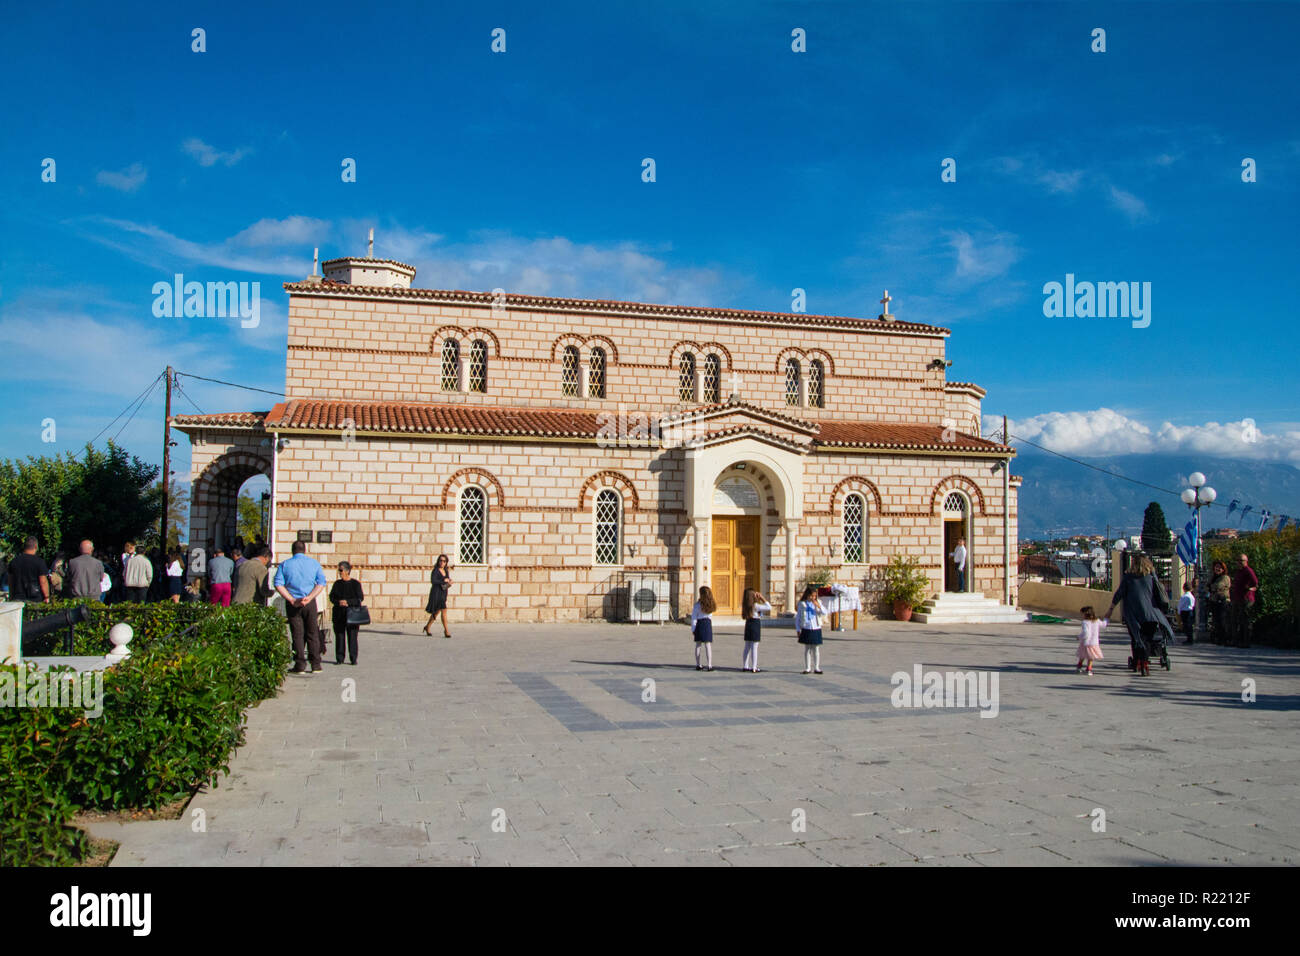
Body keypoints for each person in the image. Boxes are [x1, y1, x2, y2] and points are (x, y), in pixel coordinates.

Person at [1106, 554, 1174, 677]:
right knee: (1147, 639)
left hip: (1133, 615)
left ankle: (1138, 661)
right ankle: (1145, 663)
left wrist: (1111, 609)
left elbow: (1119, 594)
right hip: (1151, 614)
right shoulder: (1151, 578)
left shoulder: (1128, 578)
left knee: (1136, 639)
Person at [275, 540, 328, 675]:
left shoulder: (285, 564)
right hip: (309, 602)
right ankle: (316, 664)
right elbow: (321, 583)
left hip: (294, 603)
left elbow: (278, 584)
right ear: (305, 550)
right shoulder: (314, 564)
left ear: (292, 550)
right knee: (312, 633)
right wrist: (310, 597)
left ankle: (300, 664)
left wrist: (291, 599)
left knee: (297, 635)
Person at [329, 561, 365, 665]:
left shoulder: (355, 584)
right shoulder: (337, 584)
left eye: (341, 570)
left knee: (352, 636)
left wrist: (348, 602)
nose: (340, 572)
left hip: (352, 614)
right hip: (339, 614)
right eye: (339, 570)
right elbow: (332, 597)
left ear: (347, 571)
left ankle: (353, 658)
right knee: (340, 636)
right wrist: (338, 602)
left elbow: (360, 598)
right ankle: (340, 658)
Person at [8, 537, 51, 604]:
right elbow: (43, 581)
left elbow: (11, 581)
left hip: (18, 598)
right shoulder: (39, 562)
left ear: (24, 546)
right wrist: (46, 596)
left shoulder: (14, 561)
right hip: (35, 598)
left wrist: (11, 596)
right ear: (36, 547)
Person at [1229, 553, 1259, 648]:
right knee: (1234, 620)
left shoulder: (1248, 571)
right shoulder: (1239, 571)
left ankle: (1246, 642)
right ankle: (1236, 640)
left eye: (1241, 561)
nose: (1239, 562)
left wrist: (1249, 588)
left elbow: (1255, 583)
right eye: (1238, 561)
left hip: (1246, 599)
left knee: (1245, 621)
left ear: (1246, 561)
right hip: (1237, 598)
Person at [796, 585, 825, 674]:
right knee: (807, 648)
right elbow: (798, 617)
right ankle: (807, 667)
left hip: (816, 627)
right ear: (807, 595)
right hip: (807, 627)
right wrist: (798, 629)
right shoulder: (802, 604)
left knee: (816, 648)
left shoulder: (818, 602)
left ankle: (817, 667)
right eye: (811, 596)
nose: (813, 598)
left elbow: (824, 612)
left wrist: (818, 606)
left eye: (814, 596)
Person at [741, 588, 771, 673]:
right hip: (755, 623)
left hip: (748, 623)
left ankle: (745, 666)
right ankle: (754, 667)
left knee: (747, 646)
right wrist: (762, 598)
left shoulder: (746, 605)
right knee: (754, 646)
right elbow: (769, 607)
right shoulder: (755, 606)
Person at [424, 554, 452, 638]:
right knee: (444, 610)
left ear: (446, 562)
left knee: (436, 612)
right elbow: (433, 581)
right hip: (436, 593)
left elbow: (445, 583)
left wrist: (449, 583)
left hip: (443, 593)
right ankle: (446, 631)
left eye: (444, 561)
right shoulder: (435, 570)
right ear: (438, 561)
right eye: (441, 560)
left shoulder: (446, 571)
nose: (442, 562)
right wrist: (443, 580)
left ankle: (427, 627)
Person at [689, 585, 716, 671]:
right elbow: (710, 615)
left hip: (699, 624)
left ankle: (698, 664)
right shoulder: (711, 604)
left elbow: (694, 617)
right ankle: (709, 665)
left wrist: (693, 628)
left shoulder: (697, 605)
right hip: (707, 623)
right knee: (708, 645)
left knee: (698, 645)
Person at [1076, 605, 1106, 675]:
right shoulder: (1097, 621)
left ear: (1086, 614)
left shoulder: (1085, 622)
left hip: (1086, 643)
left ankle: (1079, 666)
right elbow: (1104, 625)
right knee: (1091, 657)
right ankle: (1088, 669)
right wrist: (1106, 619)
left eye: (1082, 614)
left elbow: (1086, 633)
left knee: (1082, 655)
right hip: (1094, 643)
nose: (1082, 616)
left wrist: (1079, 637)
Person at [1208, 560, 1232, 644]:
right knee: (1216, 621)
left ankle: (1226, 638)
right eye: (1216, 567)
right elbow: (1207, 587)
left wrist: (1211, 587)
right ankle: (1218, 637)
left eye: (1219, 567)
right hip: (1215, 601)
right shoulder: (1213, 578)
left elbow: (1218, 586)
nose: (1217, 569)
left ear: (1223, 569)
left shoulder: (1225, 577)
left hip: (1223, 601)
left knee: (1223, 620)